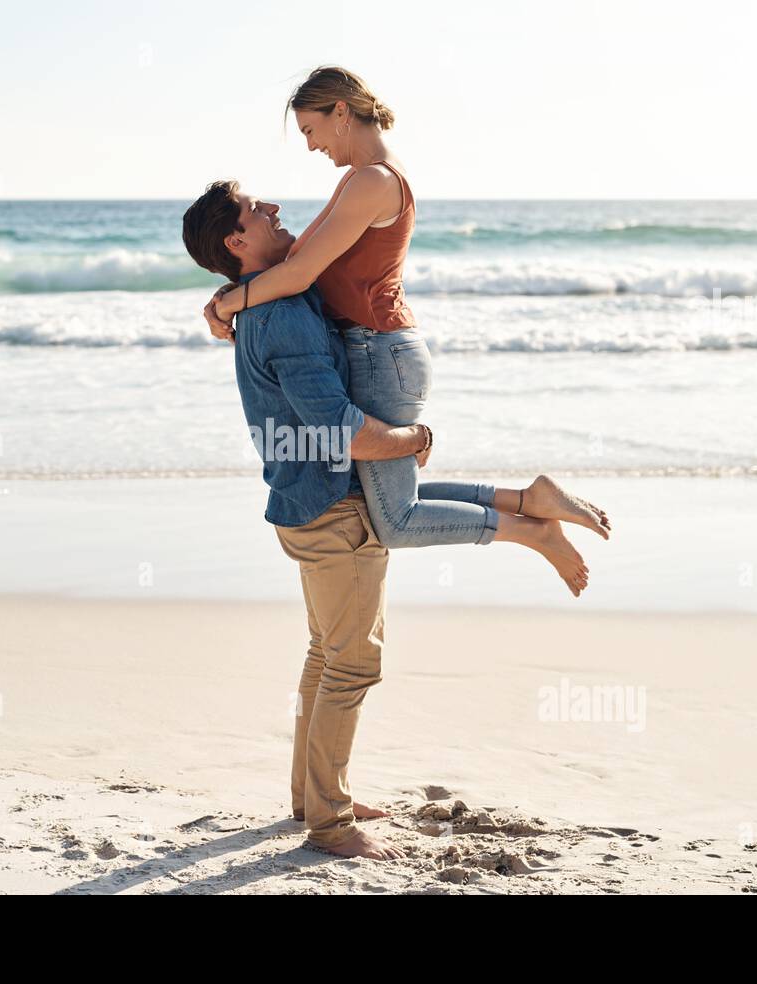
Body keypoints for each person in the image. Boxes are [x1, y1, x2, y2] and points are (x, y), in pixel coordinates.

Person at [182, 180, 598, 860]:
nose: (274, 209)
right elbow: (338, 428)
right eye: (257, 209)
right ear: (236, 240)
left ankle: (312, 799)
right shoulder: (281, 314)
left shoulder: (269, 300)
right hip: (330, 509)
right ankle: (330, 823)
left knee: (326, 657)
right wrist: (412, 440)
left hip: (307, 502)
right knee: (352, 665)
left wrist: (226, 298)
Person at [202, 67, 610, 596]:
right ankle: (529, 501)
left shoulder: (374, 181)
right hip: (378, 348)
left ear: (341, 113)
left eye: (310, 130)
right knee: (389, 497)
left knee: (395, 519)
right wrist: (225, 297)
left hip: (380, 351)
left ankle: (532, 532)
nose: (310, 146)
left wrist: (231, 301)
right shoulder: (359, 178)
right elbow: (295, 261)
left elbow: (298, 274)